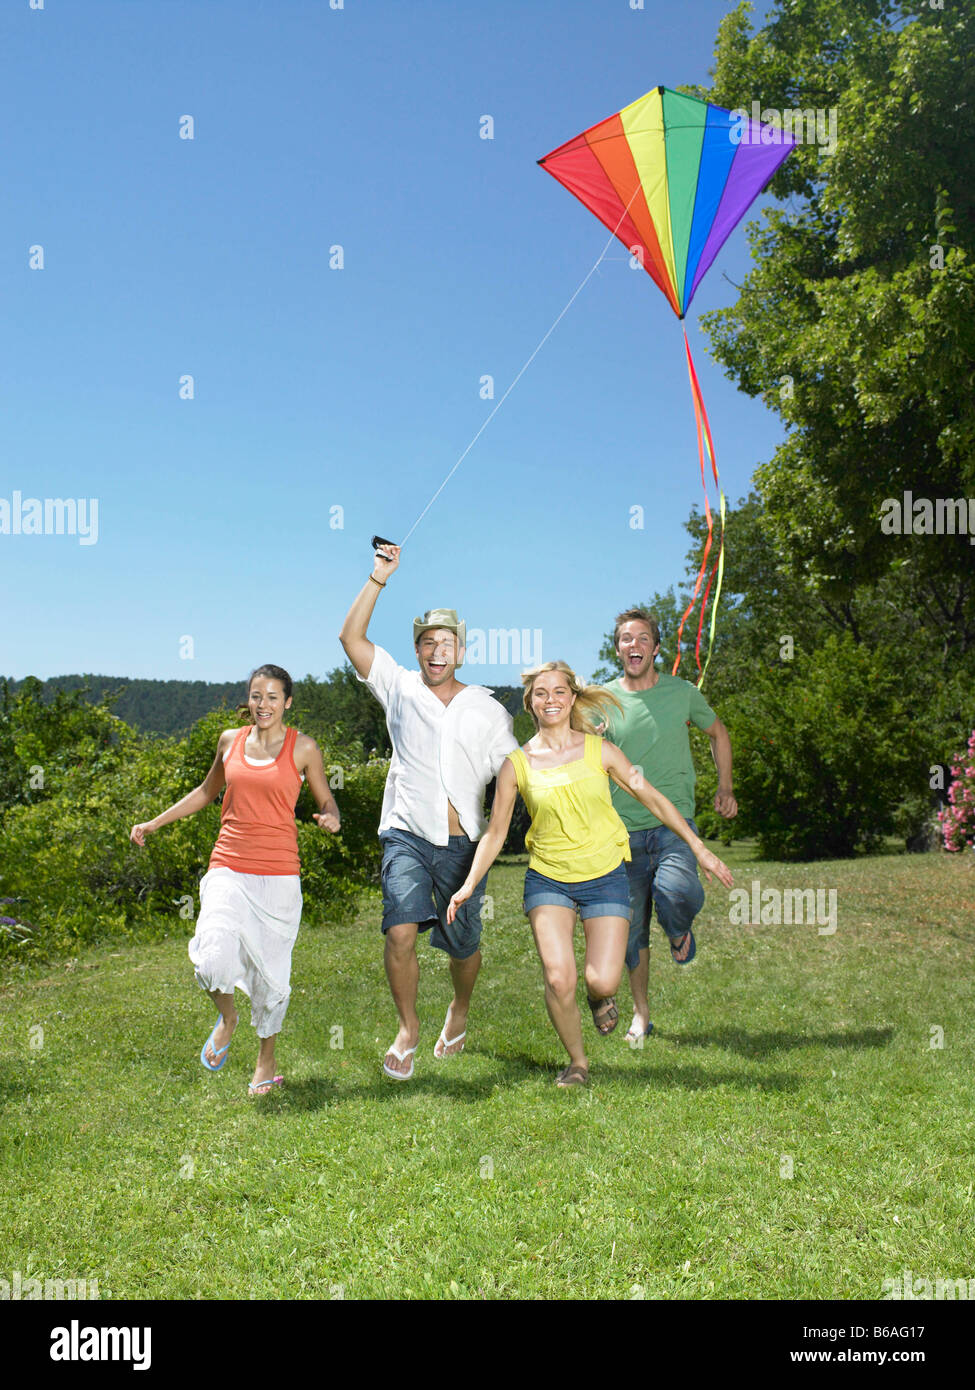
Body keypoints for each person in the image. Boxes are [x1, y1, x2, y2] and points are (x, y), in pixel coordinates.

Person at [447, 660, 733, 1086]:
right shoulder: (517, 765)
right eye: (541, 693)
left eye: (560, 692)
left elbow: (652, 798)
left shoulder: (602, 751)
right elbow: (495, 832)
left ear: (573, 698)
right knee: (558, 977)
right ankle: (577, 1063)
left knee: (602, 978)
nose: (551, 700)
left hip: (605, 875)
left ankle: (599, 997)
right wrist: (468, 885)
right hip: (548, 879)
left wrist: (699, 848)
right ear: (530, 703)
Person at [339, 543, 517, 1081]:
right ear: (417, 651)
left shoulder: (488, 709)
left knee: (463, 945)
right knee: (399, 931)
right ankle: (409, 1028)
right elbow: (350, 638)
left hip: (464, 846)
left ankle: (459, 1008)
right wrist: (379, 577)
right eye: (427, 643)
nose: (437, 652)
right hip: (406, 835)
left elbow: (511, 777)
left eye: (446, 643)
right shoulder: (398, 686)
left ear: (460, 652)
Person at [130, 665, 340, 1095]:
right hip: (228, 864)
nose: (264, 705)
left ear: (288, 702)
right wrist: (155, 823)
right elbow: (207, 792)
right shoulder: (230, 740)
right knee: (213, 957)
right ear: (249, 700)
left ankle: (266, 1063)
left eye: (273, 697)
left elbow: (325, 797)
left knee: (272, 977)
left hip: (279, 875)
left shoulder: (304, 748)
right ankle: (228, 1018)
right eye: (257, 696)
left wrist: (331, 817)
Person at [600, 609, 738, 1042]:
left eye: (642, 638)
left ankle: (678, 928)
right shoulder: (599, 700)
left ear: (656, 648)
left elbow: (719, 733)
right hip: (621, 831)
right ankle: (642, 1015)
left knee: (676, 890)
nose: (634, 645)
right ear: (618, 648)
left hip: (674, 822)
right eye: (626, 638)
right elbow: (573, 752)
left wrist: (726, 786)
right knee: (630, 931)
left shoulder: (682, 693)